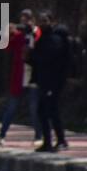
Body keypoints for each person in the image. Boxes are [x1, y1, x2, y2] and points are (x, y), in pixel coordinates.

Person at [29, 11, 70, 152]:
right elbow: (36, 60)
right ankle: (51, 141)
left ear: (52, 22)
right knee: (45, 111)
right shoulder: (42, 38)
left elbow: (48, 59)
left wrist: (35, 53)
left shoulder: (55, 39)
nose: (42, 23)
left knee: (49, 110)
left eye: (45, 20)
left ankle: (59, 140)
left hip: (53, 82)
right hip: (44, 81)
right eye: (40, 21)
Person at [0, 9, 39, 145]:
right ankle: (2, 135)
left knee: (34, 108)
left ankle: (39, 136)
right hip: (19, 76)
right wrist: (7, 33)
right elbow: (5, 46)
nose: (25, 22)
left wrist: (31, 31)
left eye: (27, 19)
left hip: (33, 75)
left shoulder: (37, 33)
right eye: (22, 20)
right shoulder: (18, 36)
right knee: (11, 107)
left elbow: (39, 39)